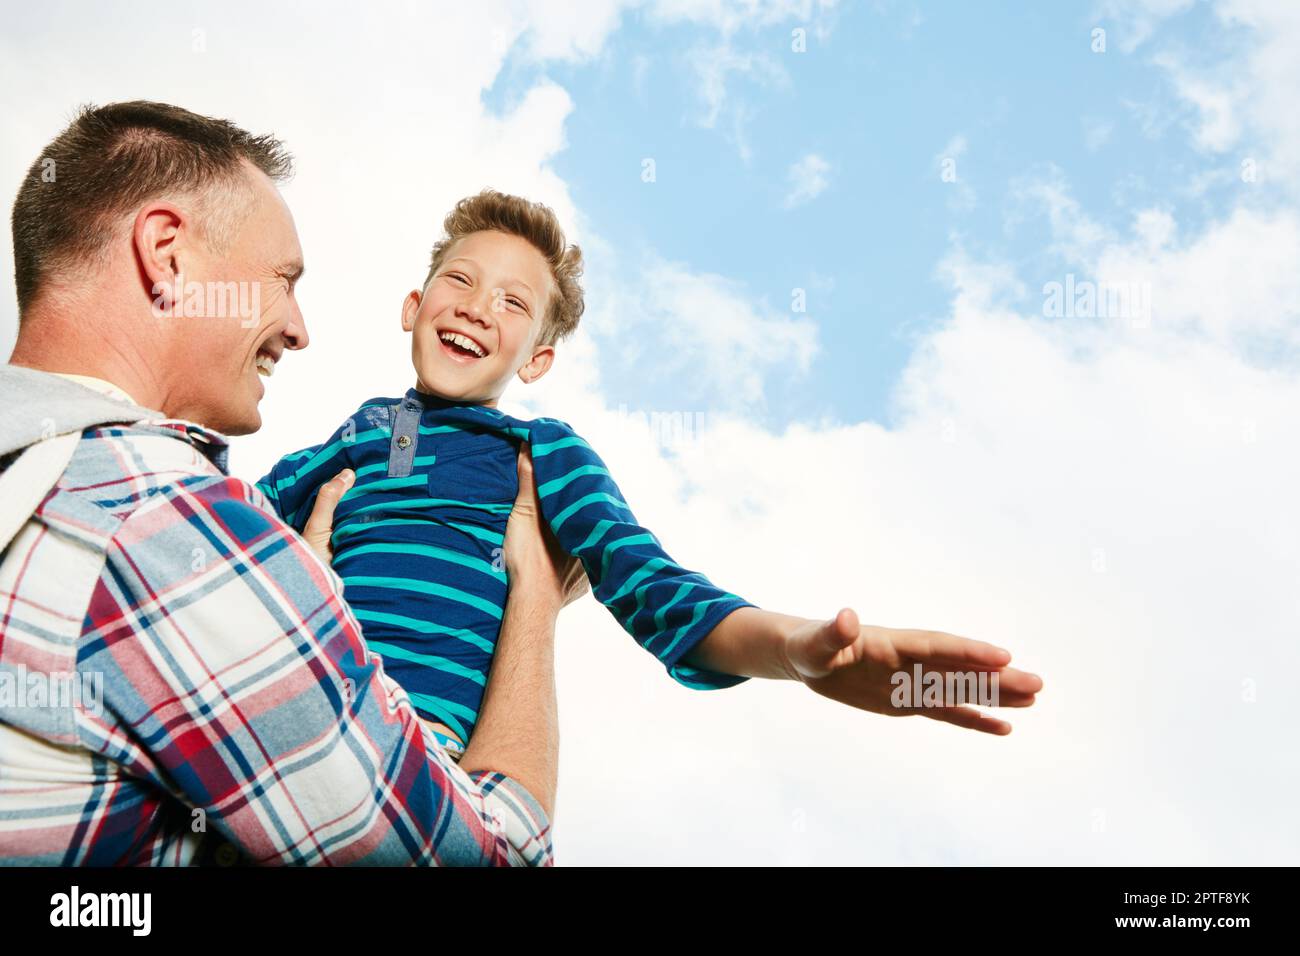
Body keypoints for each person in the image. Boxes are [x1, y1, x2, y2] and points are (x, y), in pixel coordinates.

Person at [255, 189, 1045, 757]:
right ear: (413, 305)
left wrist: (799, 652)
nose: (475, 308)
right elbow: (226, 522)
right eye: (460, 282)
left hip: (415, 752)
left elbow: (652, 585)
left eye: (512, 303)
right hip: (283, 715)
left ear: (537, 359)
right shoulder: (373, 432)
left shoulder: (539, 456)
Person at [0, 102, 583, 866]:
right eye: (282, 281)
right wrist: (535, 596)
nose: (298, 328)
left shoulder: (41, 482)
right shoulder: (159, 523)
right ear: (167, 253)